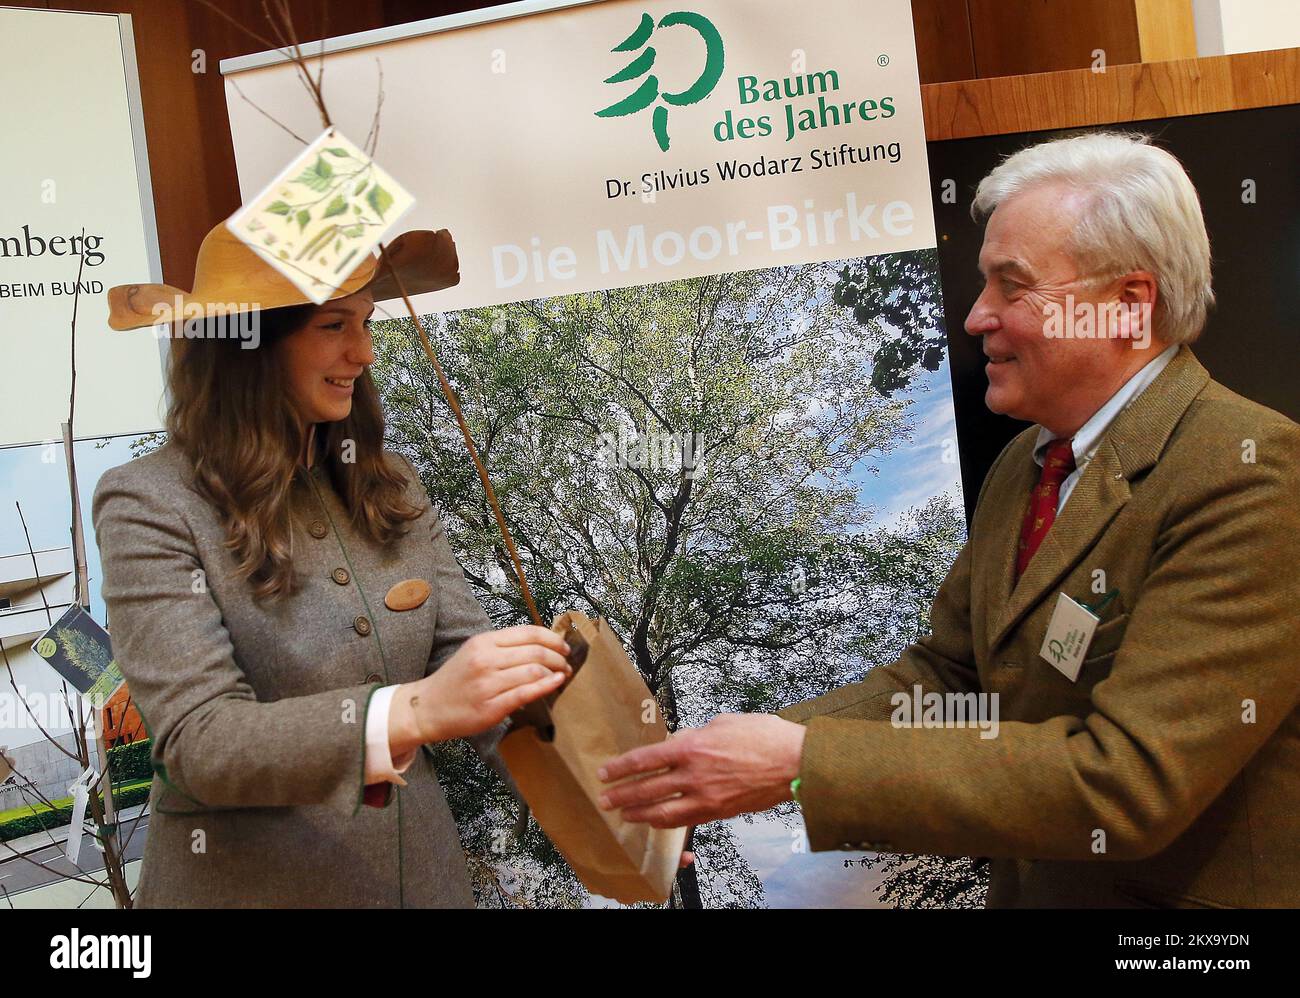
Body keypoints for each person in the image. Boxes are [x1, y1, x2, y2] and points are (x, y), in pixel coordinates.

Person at [598, 132, 1300, 908]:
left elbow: (1128, 782)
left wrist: (802, 761)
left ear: (1128, 307)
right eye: (983, 284)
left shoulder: (1251, 475)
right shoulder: (1027, 466)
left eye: (1012, 286)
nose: (975, 317)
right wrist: (725, 757)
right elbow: (949, 677)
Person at [93, 222, 572, 907]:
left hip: (422, 882)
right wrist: (415, 710)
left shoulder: (391, 482)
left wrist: (605, 787)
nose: (364, 351)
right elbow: (200, 742)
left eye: (368, 322)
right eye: (333, 325)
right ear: (250, 345)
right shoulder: (149, 501)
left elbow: (463, 660)